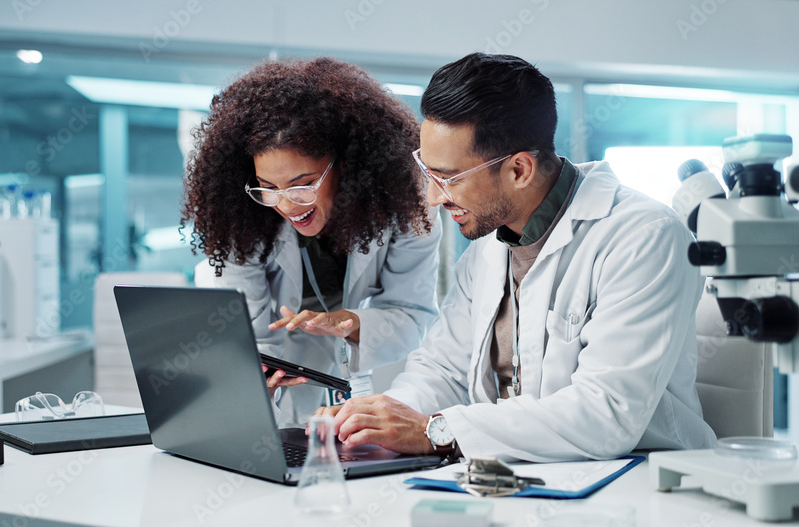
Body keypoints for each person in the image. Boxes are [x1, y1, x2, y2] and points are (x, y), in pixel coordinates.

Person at [316, 53, 717, 462]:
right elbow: (442, 370)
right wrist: (373, 420)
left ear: (520, 170)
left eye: (449, 178)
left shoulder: (644, 236)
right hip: (518, 472)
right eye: (428, 172)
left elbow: (606, 414)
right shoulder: (488, 246)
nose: (434, 197)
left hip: (637, 475)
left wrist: (434, 431)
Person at [182, 57, 442, 427]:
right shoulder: (240, 223)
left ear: (346, 164)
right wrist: (253, 377)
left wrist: (350, 323)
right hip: (289, 359)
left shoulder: (408, 209)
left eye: (302, 185)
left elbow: (412, 313)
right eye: (268, 188)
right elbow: (250, 333)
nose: (287, 205)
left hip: (375, 366)